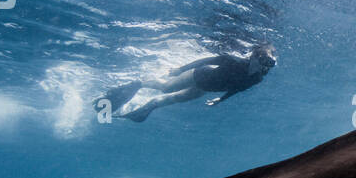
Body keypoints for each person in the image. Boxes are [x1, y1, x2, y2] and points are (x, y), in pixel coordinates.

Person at [95, 44, 277, 122]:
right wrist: (180, 69)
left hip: (205, 88)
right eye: (263, 60)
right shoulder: (234, 61)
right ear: (254, 57)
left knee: (168, 100)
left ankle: (145, 109)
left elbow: (238, 89)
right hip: (198, 76)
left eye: (269, 63)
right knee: (166, 87)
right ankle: (139, 83)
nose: (264, 66)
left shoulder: (256, 79)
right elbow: (206, 60)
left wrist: (221, 100)